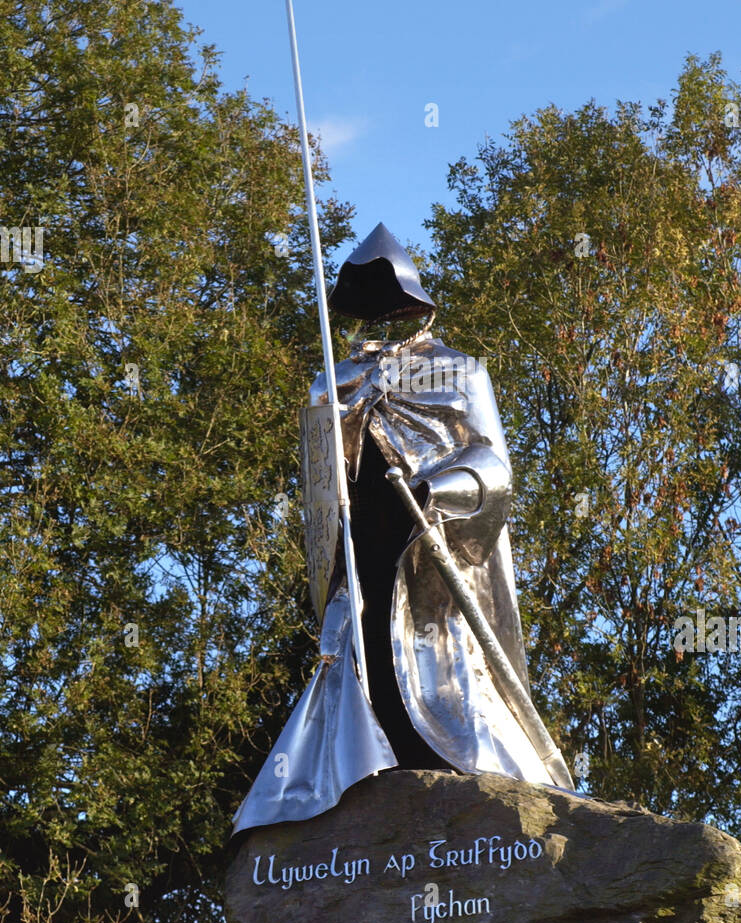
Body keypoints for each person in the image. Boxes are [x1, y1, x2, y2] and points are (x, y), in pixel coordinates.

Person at [233, 223, 572, 832]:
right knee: (364, 660)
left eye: (391, 296)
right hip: (360, 548)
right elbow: (318, 486)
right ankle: (358, 772)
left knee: (438, 669)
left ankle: (463, 778)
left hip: (429, 549)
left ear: (414, 301)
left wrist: (437, 488)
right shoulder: (330, 384)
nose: (381, 312)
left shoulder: (460, 371)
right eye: (369, 299)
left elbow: (493, 462)